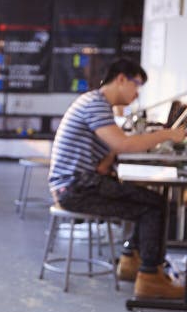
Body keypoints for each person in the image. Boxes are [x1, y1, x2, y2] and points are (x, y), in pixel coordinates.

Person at [48, 58, 185, 299]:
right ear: (121, 79)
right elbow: (123, 145)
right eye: (137, 85)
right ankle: (150, 279)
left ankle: (132, 260)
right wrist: (166, 134)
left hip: (76, 184)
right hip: (75, 188)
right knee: (155, 205)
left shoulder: (96, 103)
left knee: (147, 201)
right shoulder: (95, 104)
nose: (137, 94)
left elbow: (105, 161)